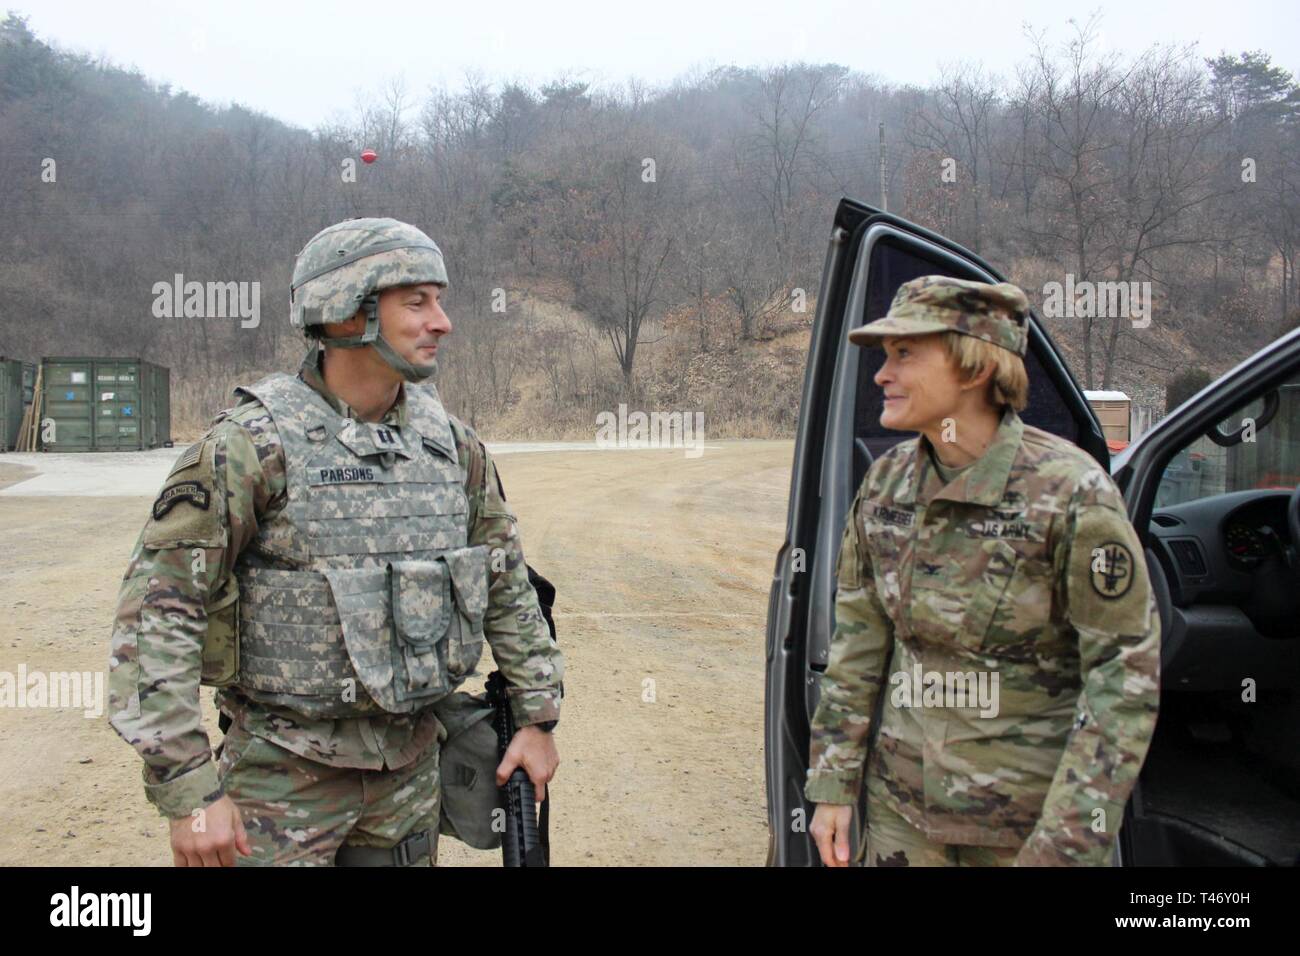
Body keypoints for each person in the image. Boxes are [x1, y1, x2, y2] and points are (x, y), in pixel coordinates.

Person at [107, 217, 564, 866]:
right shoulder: (252, 445)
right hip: (279, 781)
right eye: (417, 302)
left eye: (440, 299)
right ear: (347, 312)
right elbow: (158, 615)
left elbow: (506, 582)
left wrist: (536, 718)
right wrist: (188, 789)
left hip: (408, 779)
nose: (443, 321)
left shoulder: (452, 446)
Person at [805, 275, 1159, 867]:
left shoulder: (1072, 494)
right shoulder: (885, 485)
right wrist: (833, 786)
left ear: (973, 368)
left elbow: (1123, 687)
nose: (881, 376)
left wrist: (1064, 849)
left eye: (905, 353)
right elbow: (858, 644)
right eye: (885, 357)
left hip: (1026, 834)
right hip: (902, 824)